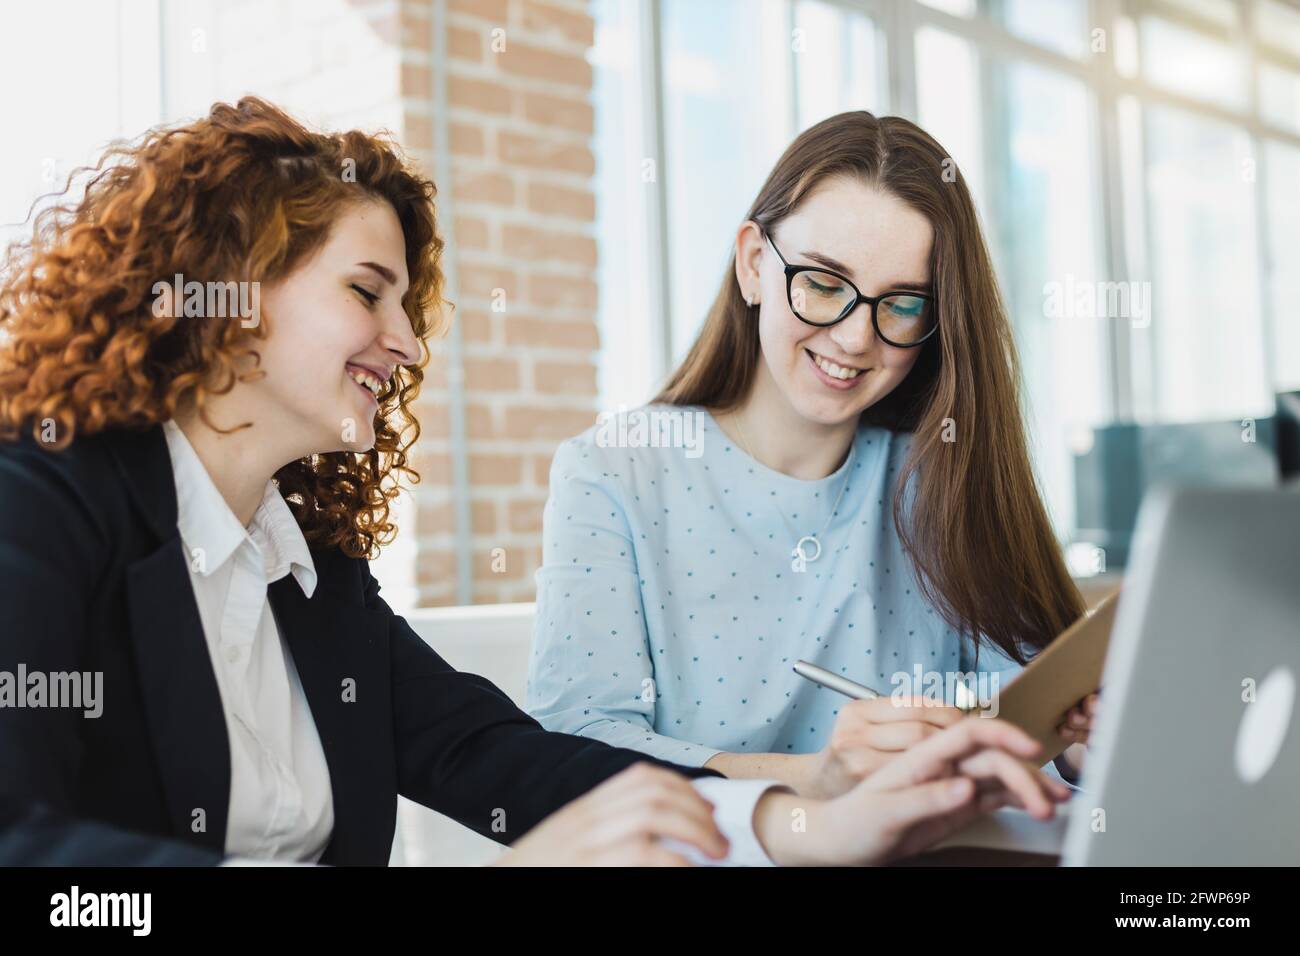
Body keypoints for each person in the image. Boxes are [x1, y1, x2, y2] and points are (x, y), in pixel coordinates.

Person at [0, 98, 1068, 867]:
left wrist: (807, 816)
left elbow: (508, 761)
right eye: (370, 293)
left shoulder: (310, 579)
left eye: (408, 307)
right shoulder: (43, 503)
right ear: (230, 295)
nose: (407, 346)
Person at [527, 110, 1098, 798]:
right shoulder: (613, 472)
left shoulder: (940, 474)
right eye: (825, 284)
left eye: (904, 305)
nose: (857, 339)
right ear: (754, 264)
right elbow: (578, 745)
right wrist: (819, 781)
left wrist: (1080, 746)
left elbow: (1031, 723)